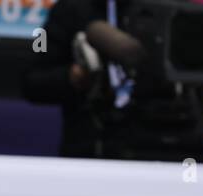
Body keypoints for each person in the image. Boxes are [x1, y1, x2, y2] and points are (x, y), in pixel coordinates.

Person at [22, 0, 145, 158]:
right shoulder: (68, 9)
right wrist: (72, 77)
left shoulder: (167, 9)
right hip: (88, 146)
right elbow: (32, 80)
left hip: (156, 145)